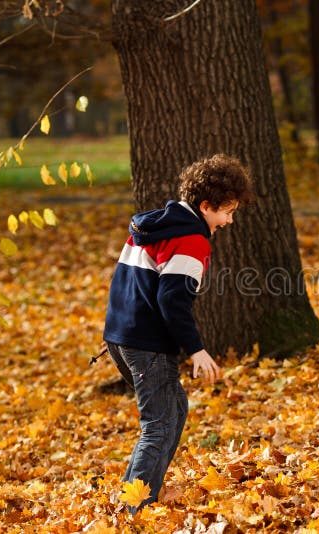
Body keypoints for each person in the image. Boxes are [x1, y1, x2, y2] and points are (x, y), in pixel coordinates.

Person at [103, 154, 254, 511]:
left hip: (119, 336)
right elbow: (172, 300)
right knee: (159, 423)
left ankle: (136, 494)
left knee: (175, 408)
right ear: (206, 205)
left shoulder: (152, 228)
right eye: (227, 211)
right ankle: (132, 510)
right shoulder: (190, 241)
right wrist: (197, 350)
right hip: (146, 344)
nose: (229, 221)